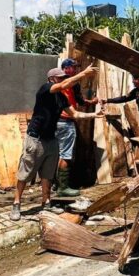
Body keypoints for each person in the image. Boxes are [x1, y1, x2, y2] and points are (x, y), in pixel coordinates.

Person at [11, 64, 104, 220]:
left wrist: (95, 115)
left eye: (63, 77)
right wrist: (83, 74)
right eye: (60, 78)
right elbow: (63, 85)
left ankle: (46, 204)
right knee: (25, 173)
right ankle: (16, 204)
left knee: (47, 175)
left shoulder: (61, 97)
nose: (63, 80)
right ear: (51, 79)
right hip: (35, 139)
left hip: (51, 140)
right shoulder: (45, 89)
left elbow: (75, 114)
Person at [54, 57, 99, 197]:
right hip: (65, 120)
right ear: (66, 68)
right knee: (65, 154)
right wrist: (84, 73)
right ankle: (63, 187)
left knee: (58, 154)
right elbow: (74, 94)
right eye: (73, 67)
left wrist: (91, 101)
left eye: (76, 67)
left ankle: (57, 184)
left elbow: (79, 100)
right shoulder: (65, 82)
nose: (75, 69)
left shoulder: (63, 83)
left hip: (57, 121)